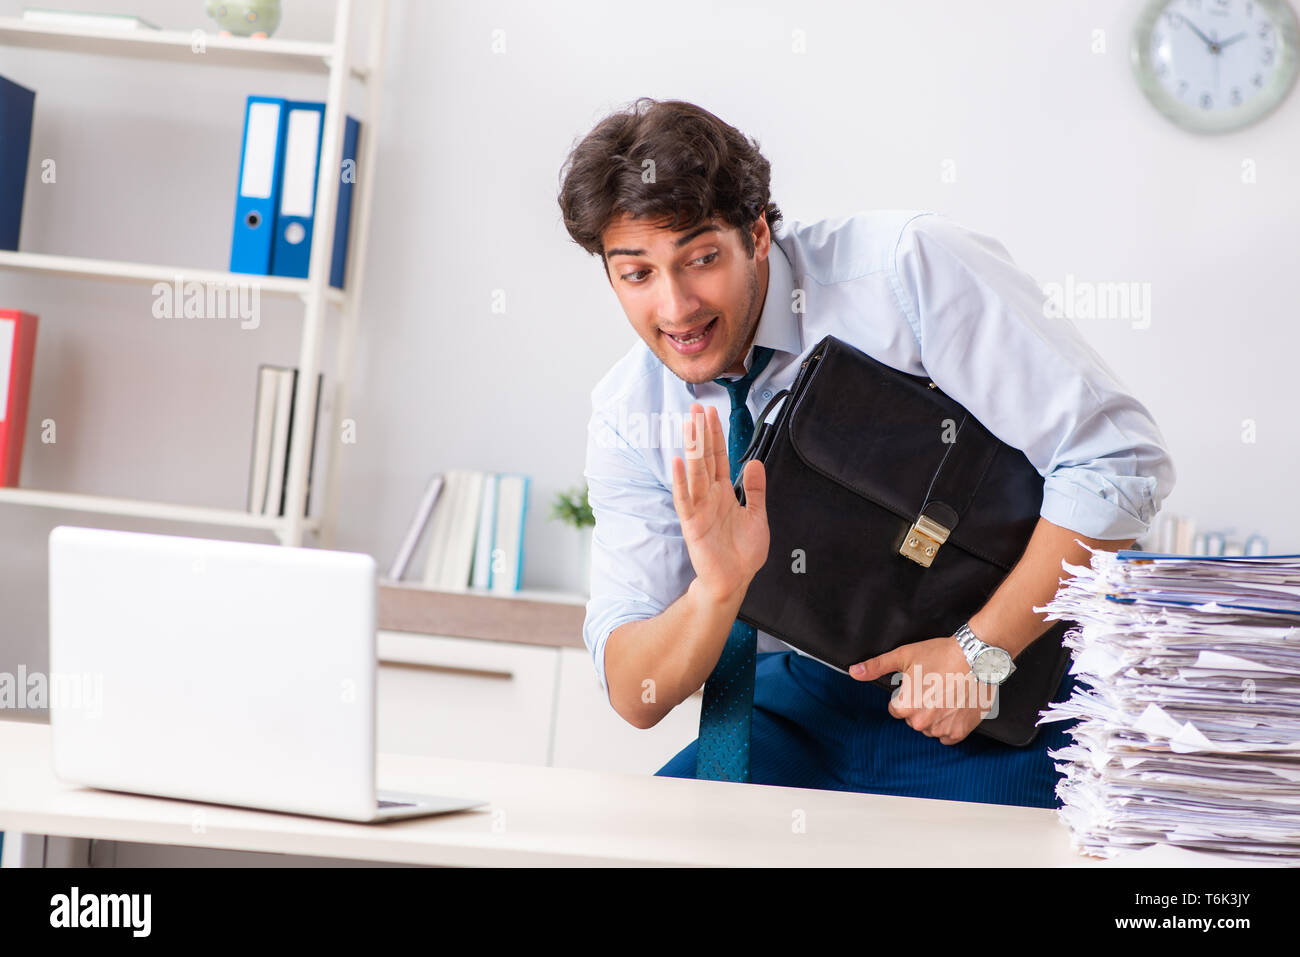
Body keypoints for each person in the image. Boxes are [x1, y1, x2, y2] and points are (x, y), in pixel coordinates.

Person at [557, 97, 1175, 807]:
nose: (676, 307)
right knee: (647, 846)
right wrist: (717, 592)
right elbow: (635, 688)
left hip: (1010, 687)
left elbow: (1118, 461)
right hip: (805, 705)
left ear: (756, 234)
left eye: (701, 259)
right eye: (636, 274)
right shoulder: (629, 414)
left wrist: (980, 654)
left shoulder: (902, 272)